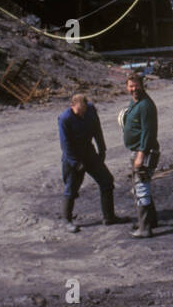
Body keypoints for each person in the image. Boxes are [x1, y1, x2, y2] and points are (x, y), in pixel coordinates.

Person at [57, 93, 118, 232]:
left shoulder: (91, 110)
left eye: (83, 110)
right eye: (79, 111)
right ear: (72, 106)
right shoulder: (64, 118)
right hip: (73, 156)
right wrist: (75, 163)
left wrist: (102, 150)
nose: (81, 113)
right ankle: (66, 220)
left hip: (89, 152)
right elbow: (65, 145)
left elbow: (97, 130)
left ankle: (109, 216)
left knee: (107, 180)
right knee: (71, 188)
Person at [122, 71, 159, 237]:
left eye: (136, 85)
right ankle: (151, 220)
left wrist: (141, 155)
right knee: (141, 187)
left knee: (141, 188)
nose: (133, 89)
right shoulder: (134, 102)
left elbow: (148, 132)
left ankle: (145, 228)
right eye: (131, 86)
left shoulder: (145, 105)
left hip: (145, 152)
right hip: (137, 150)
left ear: (142, 85)